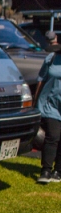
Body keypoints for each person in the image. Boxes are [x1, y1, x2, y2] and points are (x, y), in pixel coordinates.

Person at [35, 30, 61, 184]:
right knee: (53, 136)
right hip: (52, 104)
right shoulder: (52, 58)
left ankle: (58, 171)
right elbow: (41, 79)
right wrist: (35, 100)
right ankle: (45, 170)